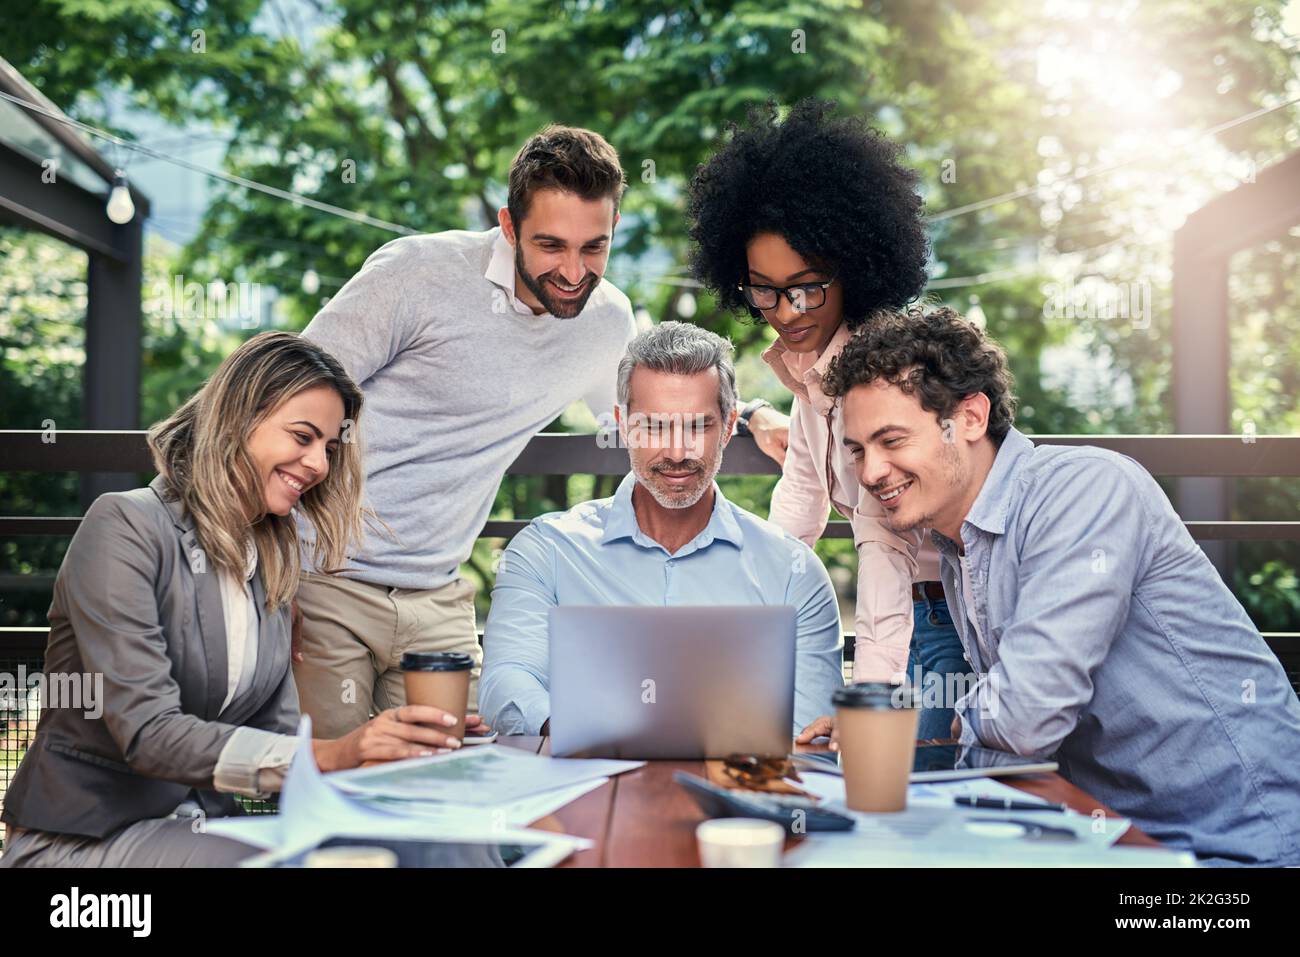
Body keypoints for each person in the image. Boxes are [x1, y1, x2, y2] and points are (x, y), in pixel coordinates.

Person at [295, 125, 790, 739]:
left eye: (594, 247)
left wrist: (752, 414)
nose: (574, 271)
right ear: (508, 226)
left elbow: (650, 405)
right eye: (551, 245)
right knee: (334, 774)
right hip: (327, 577)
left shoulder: (604, 318)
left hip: (439, 594)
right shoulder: (417, 273)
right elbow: (286, 387)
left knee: (451, 778)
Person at [805, 305, 1300, 866]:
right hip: (1110, 838)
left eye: (891, 440)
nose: (870, 473)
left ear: (969, 418)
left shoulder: (1082, 490)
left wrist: (896, 733)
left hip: (1231, 846)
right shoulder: (957, 547)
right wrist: (875, 734)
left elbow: (1025, 719)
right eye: (858, 450)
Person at [0, 332, 487, 867]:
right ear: (236, 421)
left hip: (205, 830)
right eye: (302, 437)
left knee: (434, 837)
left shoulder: (271, 563)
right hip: (85, 841)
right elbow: (147, 733)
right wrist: (334, 752)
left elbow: (275, 746)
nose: (319, 464)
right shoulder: (125, 526)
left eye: (329, 446)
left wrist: (399, 751)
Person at [687, 99, 971, 737]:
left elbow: (885, 549)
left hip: (940, 622)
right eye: (765, 289)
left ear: (856, 267)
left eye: (808, 285)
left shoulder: (878, 378)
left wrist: (871, 695)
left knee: (906, 795)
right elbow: (802, 497)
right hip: (910, 623)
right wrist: (748, 614)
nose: (787, 311)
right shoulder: (814, 370)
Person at [479, 322, 844, 736]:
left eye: (696, 426)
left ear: (727, 427)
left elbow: (812, 730)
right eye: (653, 426)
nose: (676, 452)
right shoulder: (546, 548)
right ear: (623, 425)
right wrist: (593, 734)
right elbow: (506, 682)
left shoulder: (793, 570)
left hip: (734, 791)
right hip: (587, 786)